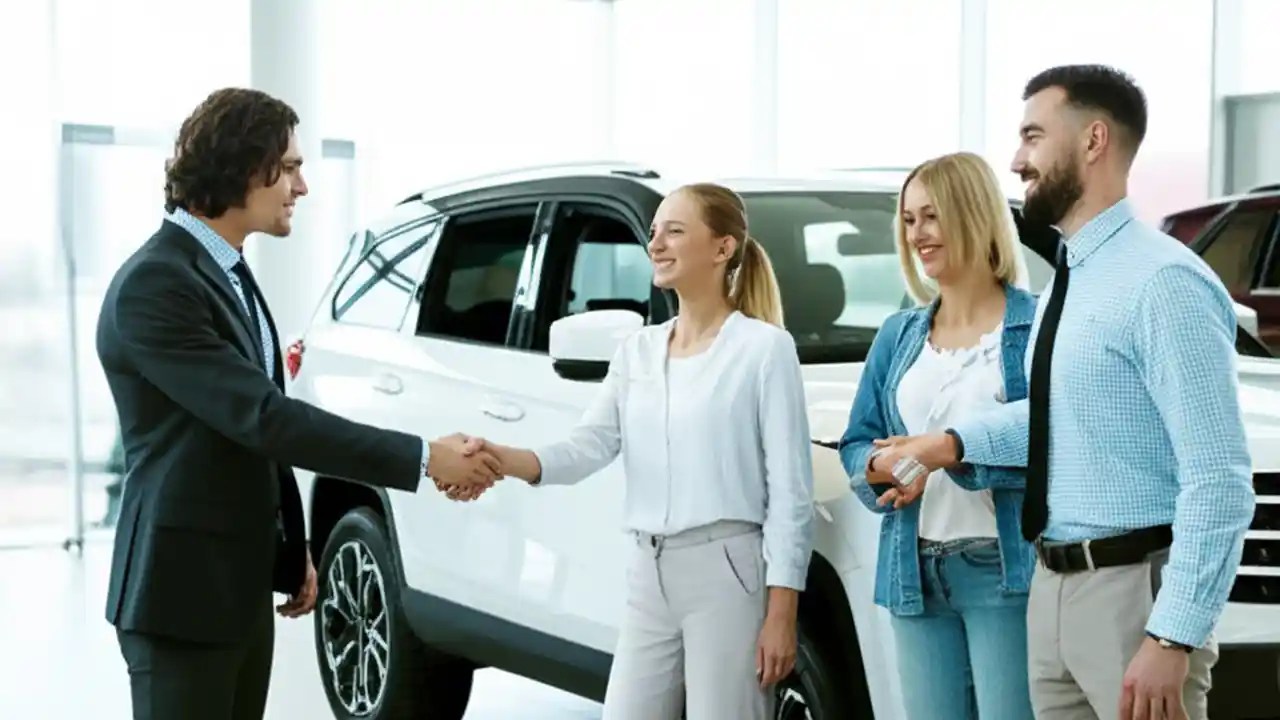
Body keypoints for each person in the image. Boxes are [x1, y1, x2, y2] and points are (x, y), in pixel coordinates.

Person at [95, 87, 501, 720]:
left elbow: (255, 424)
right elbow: (262, 417)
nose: (302, 186)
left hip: (235, 581)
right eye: (288, 167)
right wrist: (423, 459)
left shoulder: (223, 269)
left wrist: (291, 547)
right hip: (179, 592)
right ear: (238, 165)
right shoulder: (157, 282)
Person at [870, 65, 1255, 720]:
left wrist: (1173, 633)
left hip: (1131, 597)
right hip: (1051, 590)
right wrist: (950, 444)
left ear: (1093, 140)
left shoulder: (1162, 282)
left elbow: (1220, 480)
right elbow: (1056, 420)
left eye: (1032, 136)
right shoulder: (1072, 279)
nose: (1018, 160)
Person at [440, 183, 815, 720]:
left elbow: (791, 494)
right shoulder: (638, 350)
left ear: (723, 247)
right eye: (655, 231)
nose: (655, 243)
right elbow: (589, 445)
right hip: (648, 570)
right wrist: (501, 457)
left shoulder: (763, 350)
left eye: (675, 231)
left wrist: (782, 612)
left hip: (727, 572)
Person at [838, 151, 1037, 720]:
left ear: (974, 213)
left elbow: (1048, 440)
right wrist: (893, 468)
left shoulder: (1035, 326)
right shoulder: (899, 334)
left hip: (1005, 570)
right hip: (913, 572)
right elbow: (860, 442)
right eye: (908, 220)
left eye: (931, 216)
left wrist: (945, 453)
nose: (917, 234)